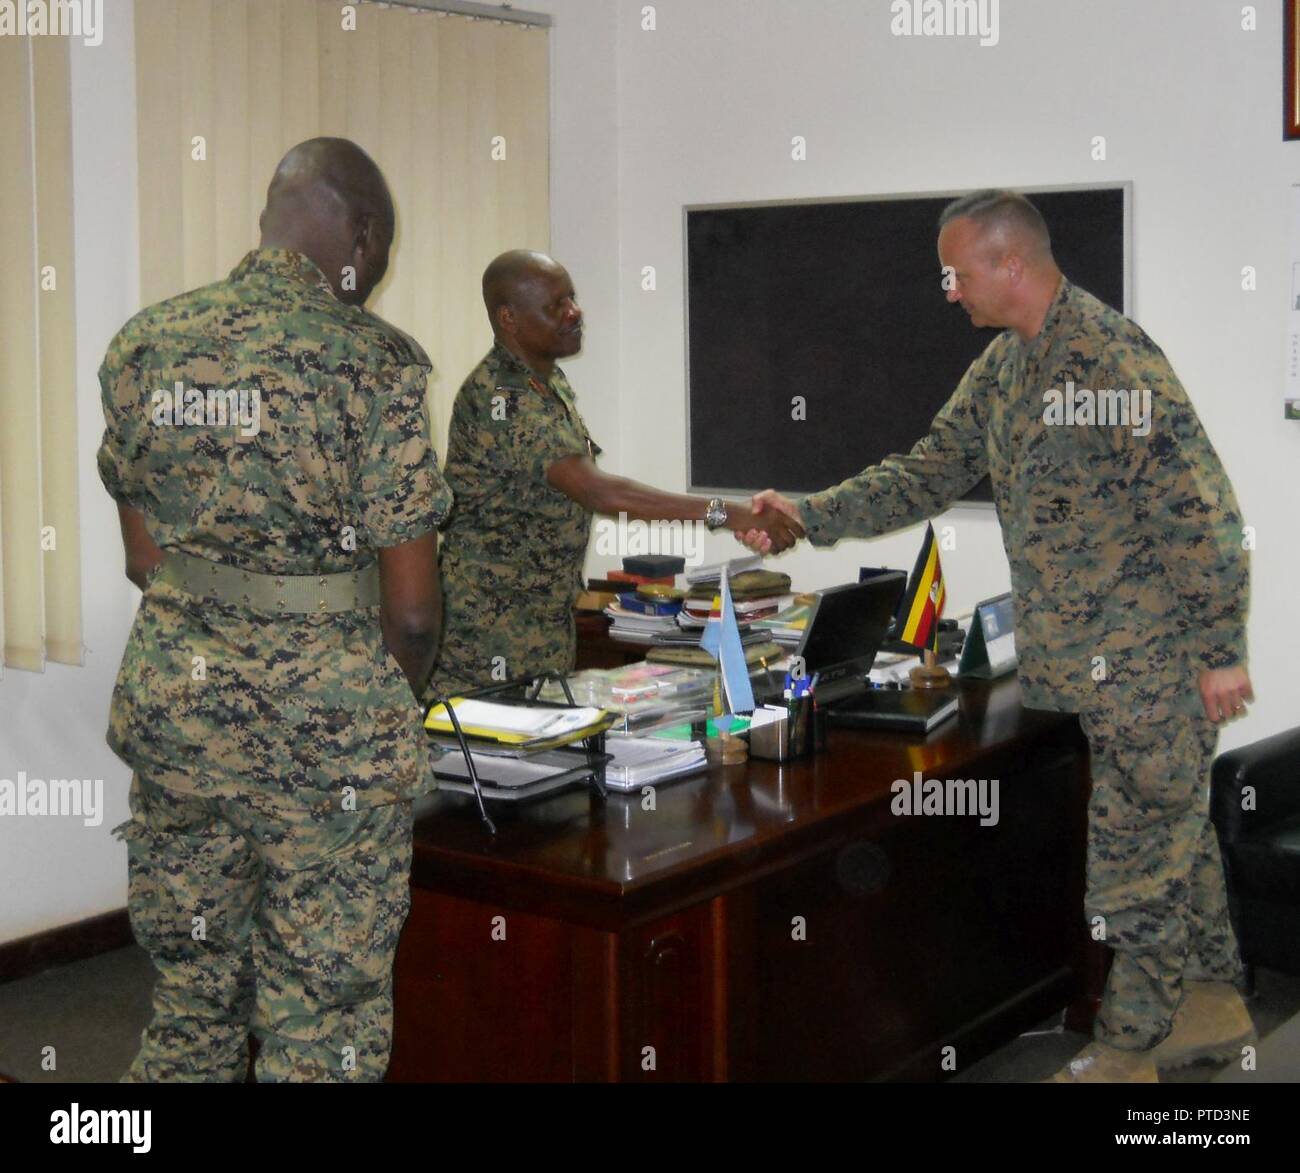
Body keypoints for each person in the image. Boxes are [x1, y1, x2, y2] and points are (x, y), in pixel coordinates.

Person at [740, 190, 1255, 1083]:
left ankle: (1127, 1051)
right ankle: (1211, 1004)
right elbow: (924, 473)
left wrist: (1219, 651)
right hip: (1083, 664)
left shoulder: (1109, 363)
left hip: (1151, 666)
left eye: (957, 271)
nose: (949, 290)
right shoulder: (1005, 371)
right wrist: (808, 515)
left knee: (1135, 860)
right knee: (1175, 835)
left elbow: (1200, 513)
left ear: (1010, 264)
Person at [98, 138, 450, 1082]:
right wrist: (377, 704)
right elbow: (413, 614)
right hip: (326, 747)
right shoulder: (373, 364)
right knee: (321, 1025)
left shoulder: (146, 345)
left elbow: (145, 559)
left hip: (179, 720)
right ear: (362, 237)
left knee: (192, 1006)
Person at [428, 250, 802, 697]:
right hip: (486, 636)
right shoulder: (503, 398)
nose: (575, 312)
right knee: (490, 762)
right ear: (509, 319)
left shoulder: (546, 384)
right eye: (555, 306)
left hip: (541, 623)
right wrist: (735, 515)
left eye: (572, 297)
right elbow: (600, 492)